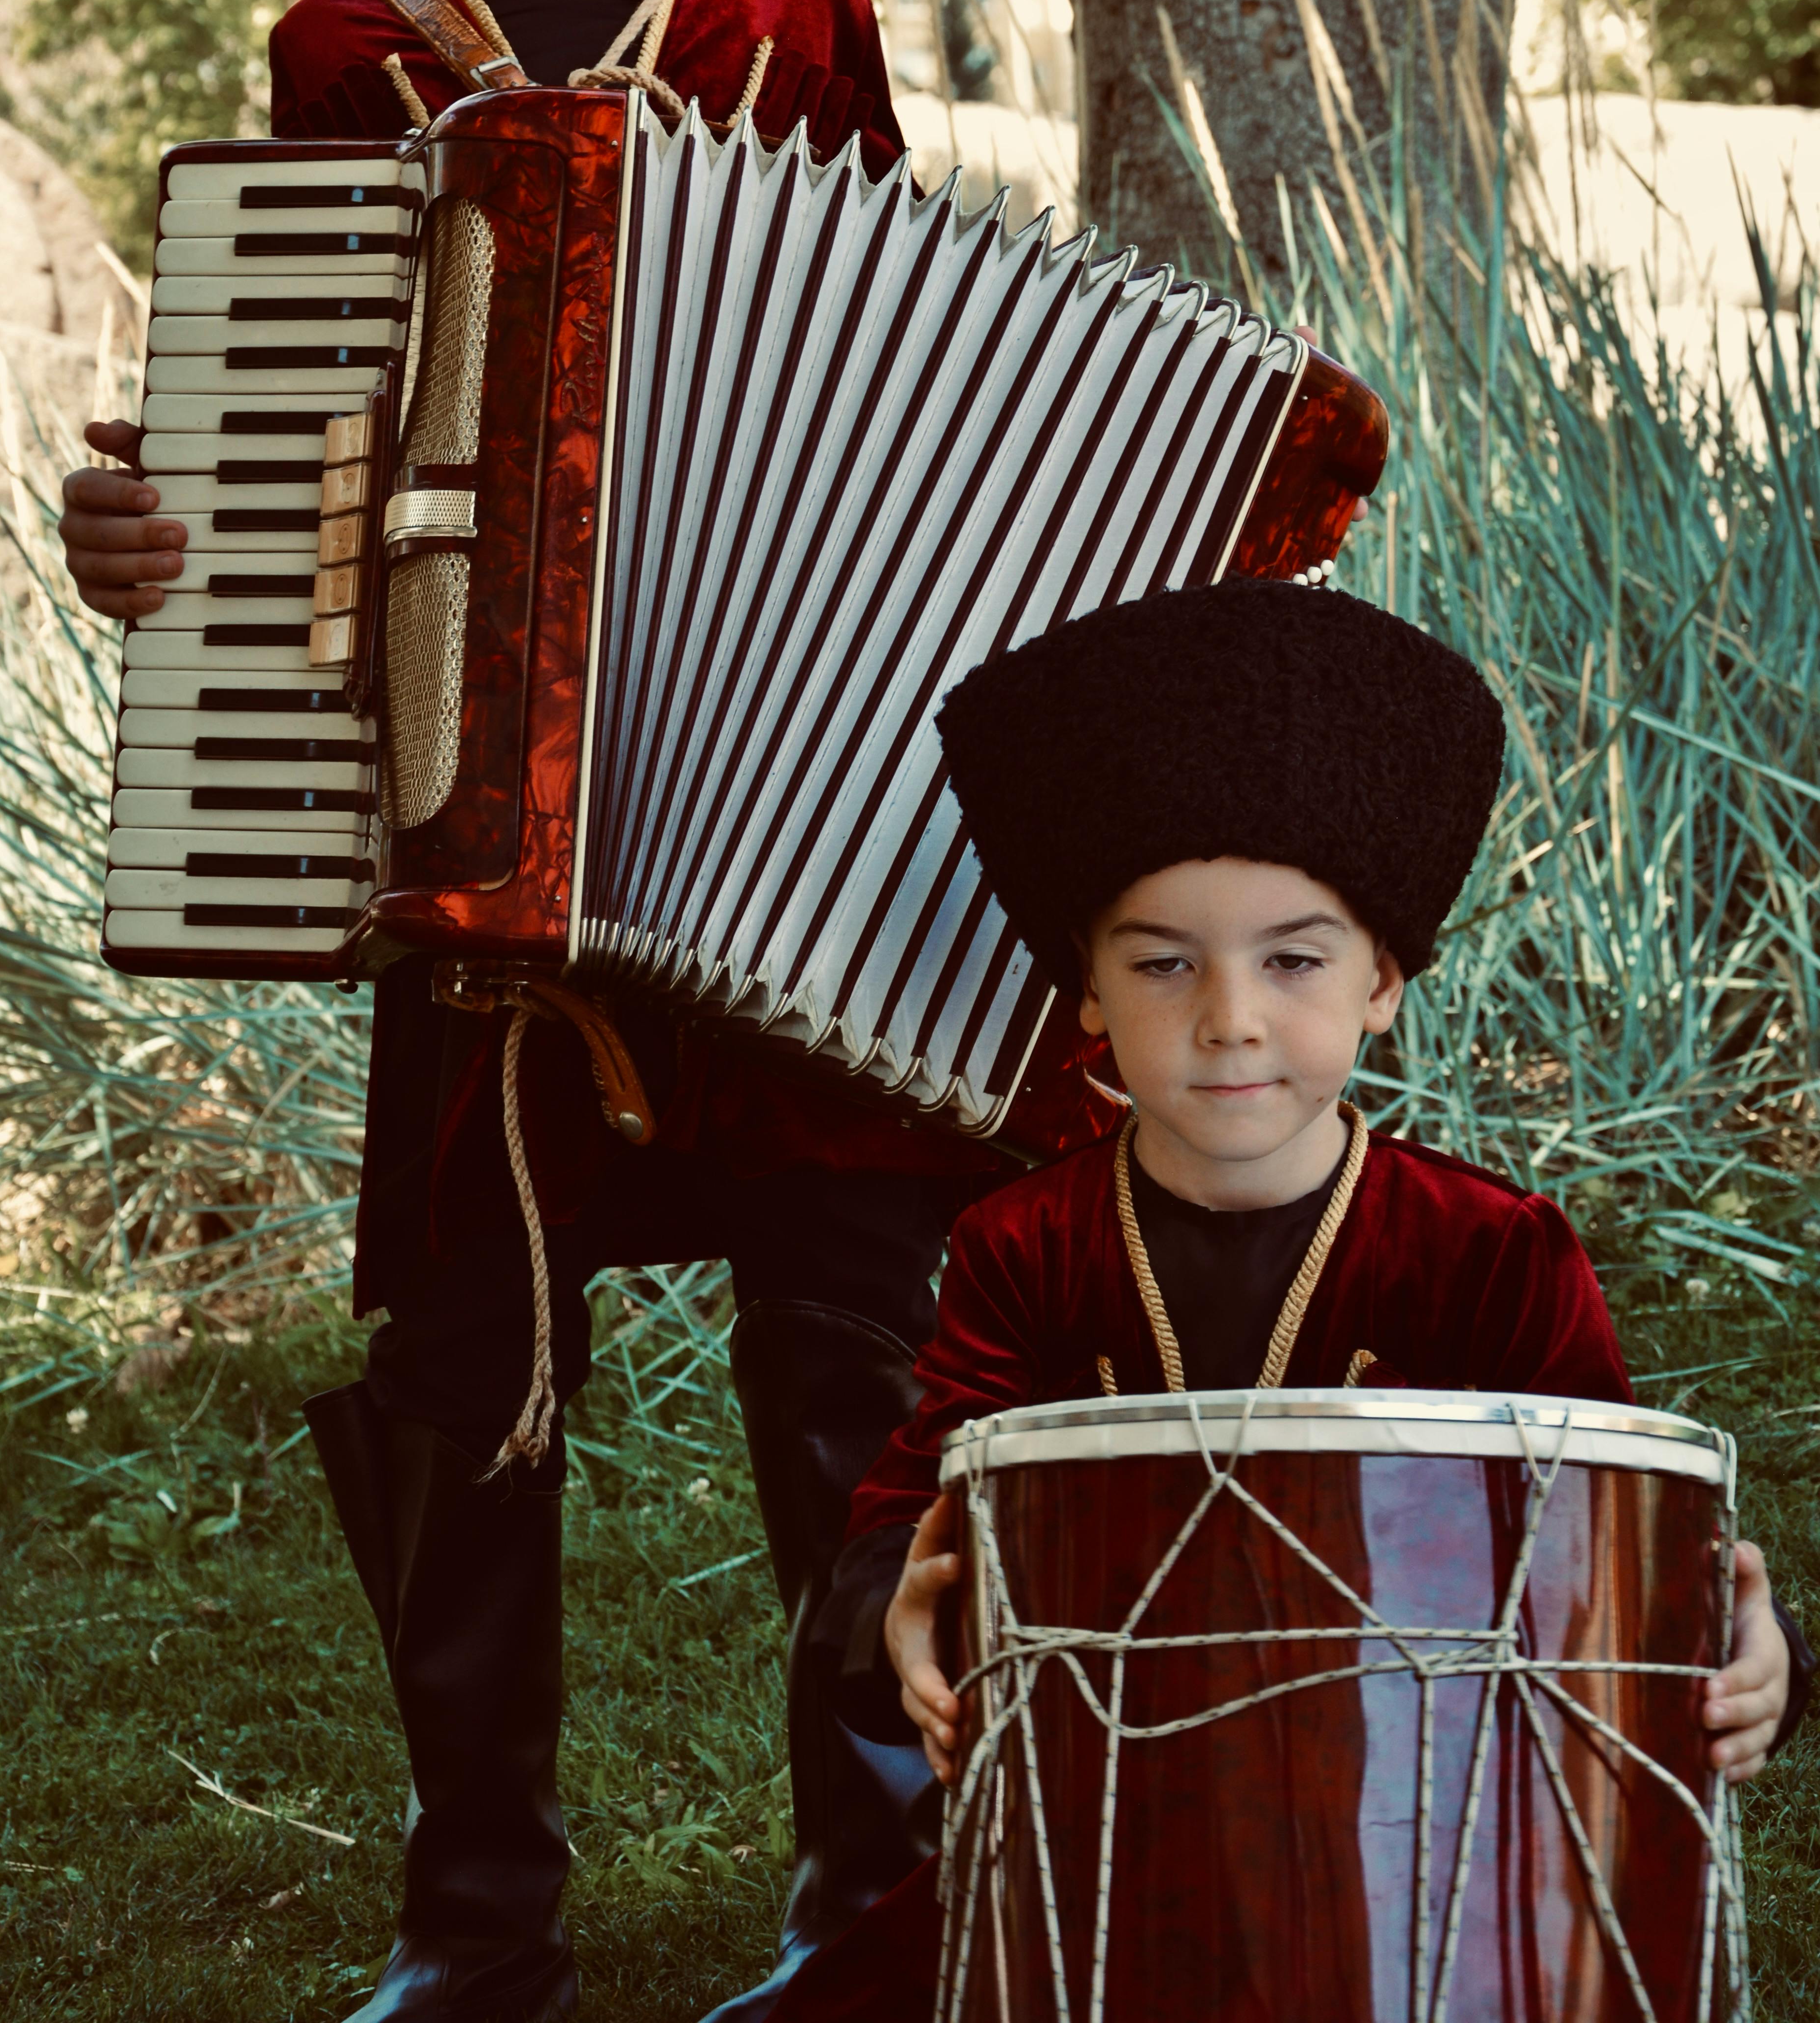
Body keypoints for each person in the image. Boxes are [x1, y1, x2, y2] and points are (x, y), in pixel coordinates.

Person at [54, 0, 1107, 2023]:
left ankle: (878, 1900)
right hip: (477, 857)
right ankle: (476, 1919)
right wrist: (163, 539)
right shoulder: (339, 59)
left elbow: (889, 388)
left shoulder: (782, 10)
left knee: (853, 1358)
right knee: (451, 1373)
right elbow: (283, 473)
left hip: (776, 834)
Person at [765, 579, 1810, 2022]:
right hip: (1104, 1853)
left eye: (1294, 960)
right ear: (1087, 988)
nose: (1231, 1017)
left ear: (1384, 979)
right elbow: (906, 1519)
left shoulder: (1489, 1250)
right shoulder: (1027, 1245)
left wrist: (1758, 1650)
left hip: (1431, 1847)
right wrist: (899, 1602)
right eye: (1163, 963)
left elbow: (1616, 1561)